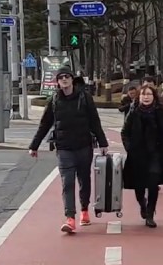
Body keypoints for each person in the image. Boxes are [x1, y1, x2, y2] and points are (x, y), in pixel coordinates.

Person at [28, 67, 111, 234]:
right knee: (67, 182)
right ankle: (70, 218)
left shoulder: (84, 98)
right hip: (64, 147)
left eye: (67, 77)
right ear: (57, 82)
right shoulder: (54, 100)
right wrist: (34, 145)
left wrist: (103, 142)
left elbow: (95, 121)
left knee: (84, 180)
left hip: (83, 146)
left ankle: (85, 210)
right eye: (61, 77)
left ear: (72, 79)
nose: (64, 80)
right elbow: (45, 124)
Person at [120, 83, 163, 227]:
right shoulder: (133, 112)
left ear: (154, 97)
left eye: (149, 94)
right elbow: (125, 132)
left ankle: (150, 213)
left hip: (156, 154)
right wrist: (130, 148)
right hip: (137, 154)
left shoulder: (160, 111)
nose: (146, 97)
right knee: (139, 185)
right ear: (139, 97)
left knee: (153, 183)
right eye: (143, 94)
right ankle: (142, 205)